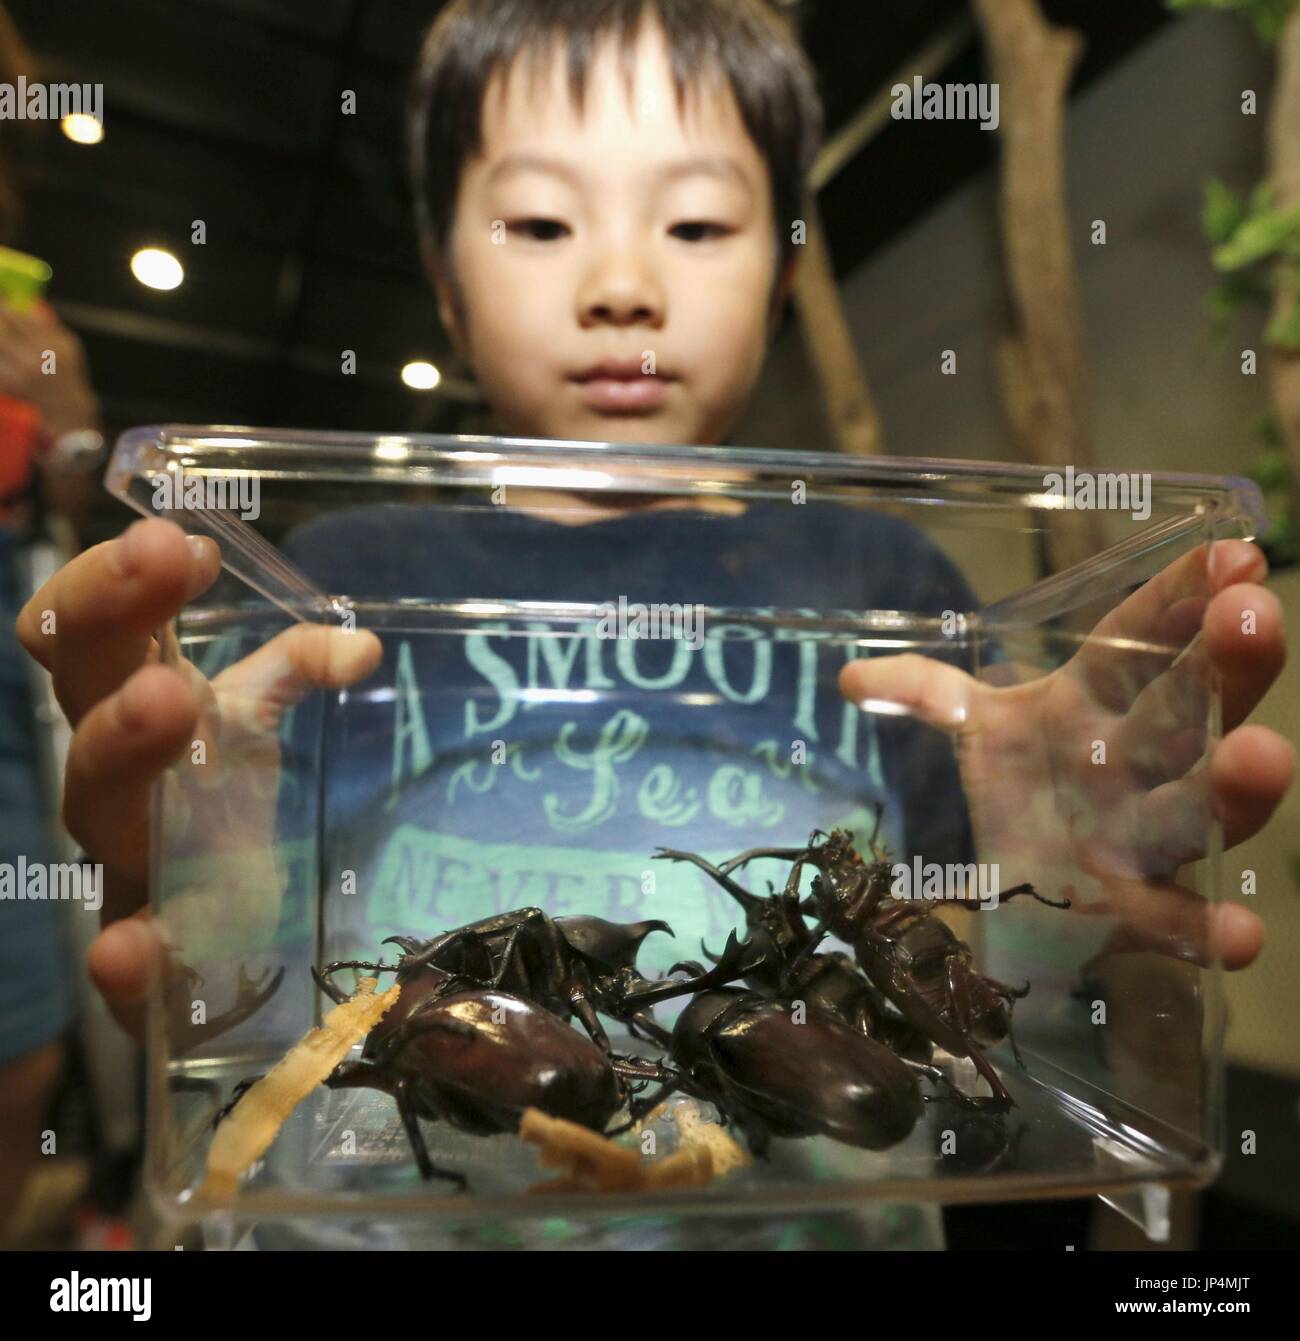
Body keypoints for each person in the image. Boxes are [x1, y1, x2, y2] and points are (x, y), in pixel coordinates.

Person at [15, 0, 1289, 1250]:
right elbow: (234, 983)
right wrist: (208, 912)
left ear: (784, 272)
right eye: (541, 220)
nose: (621, 283)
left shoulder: (882, 575)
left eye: (693, 221)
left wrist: (1040, 944)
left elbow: (984, 951)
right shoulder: (336, 575)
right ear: (446, 287)